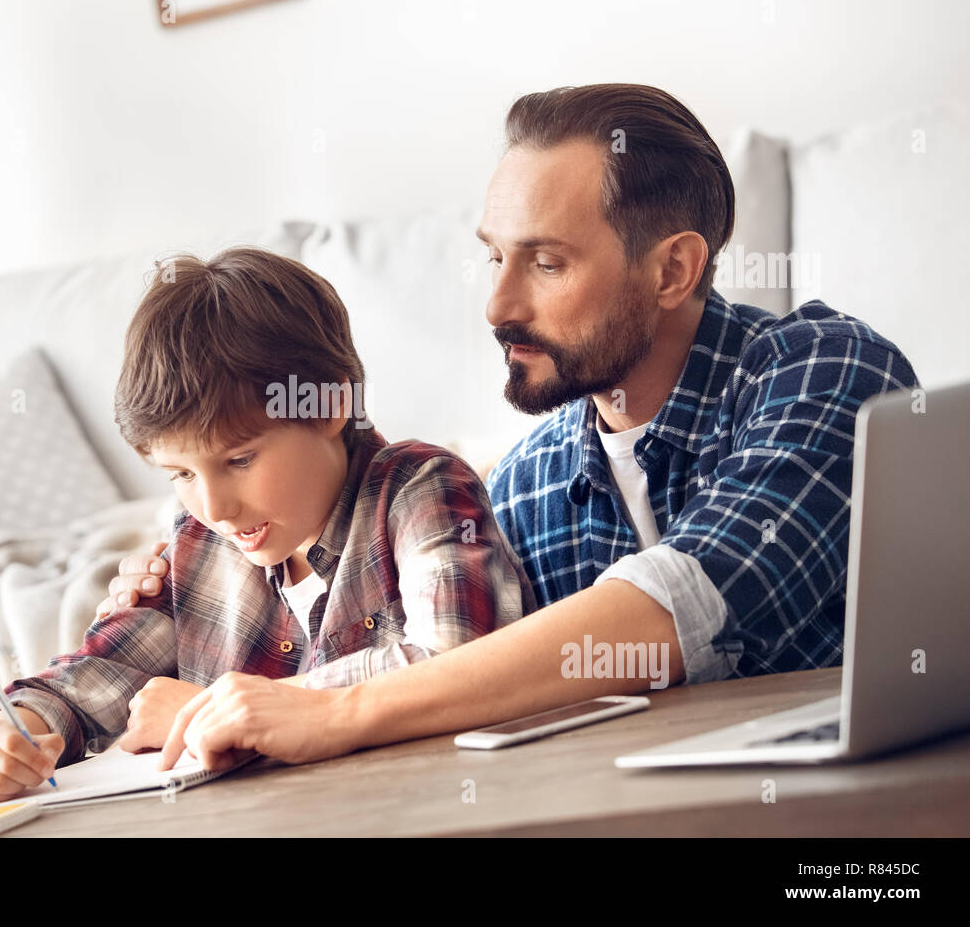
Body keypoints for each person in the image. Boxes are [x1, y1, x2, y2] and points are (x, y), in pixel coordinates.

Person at [102, 83, 921, 772]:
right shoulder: (527, 484)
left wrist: (333, 709)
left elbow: (678, 606)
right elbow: (434, 655)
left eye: (548, 262)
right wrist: (177, 599)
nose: (498, 306)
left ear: (673, 269)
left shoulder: (824, 372)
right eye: (495, 257)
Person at [0, 247, 534, 803]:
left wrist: (225, 706)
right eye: (180, 473)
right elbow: (101, 676)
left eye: (239, 460)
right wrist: (19, 729)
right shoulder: (200, 540)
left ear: (331, 405)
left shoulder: (419, 489)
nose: (214, 508)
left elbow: (461, 662)